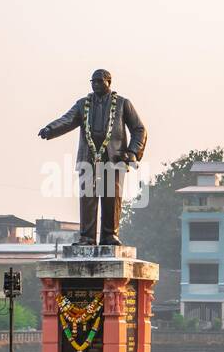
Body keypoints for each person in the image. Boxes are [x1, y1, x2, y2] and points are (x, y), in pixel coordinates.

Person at [38, 69, 147, 246]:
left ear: (109, 82)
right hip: (88, 157)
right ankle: (87, 238)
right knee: (88, 198)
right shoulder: (83, 104)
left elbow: (139, 129)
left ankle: (109, 236)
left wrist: (133, 152)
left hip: (114, 158)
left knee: (111, 198)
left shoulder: (122, 104)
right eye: (93, 81)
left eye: (99, 81)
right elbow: (67, 119)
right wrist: (50, 129)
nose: (95, 84)